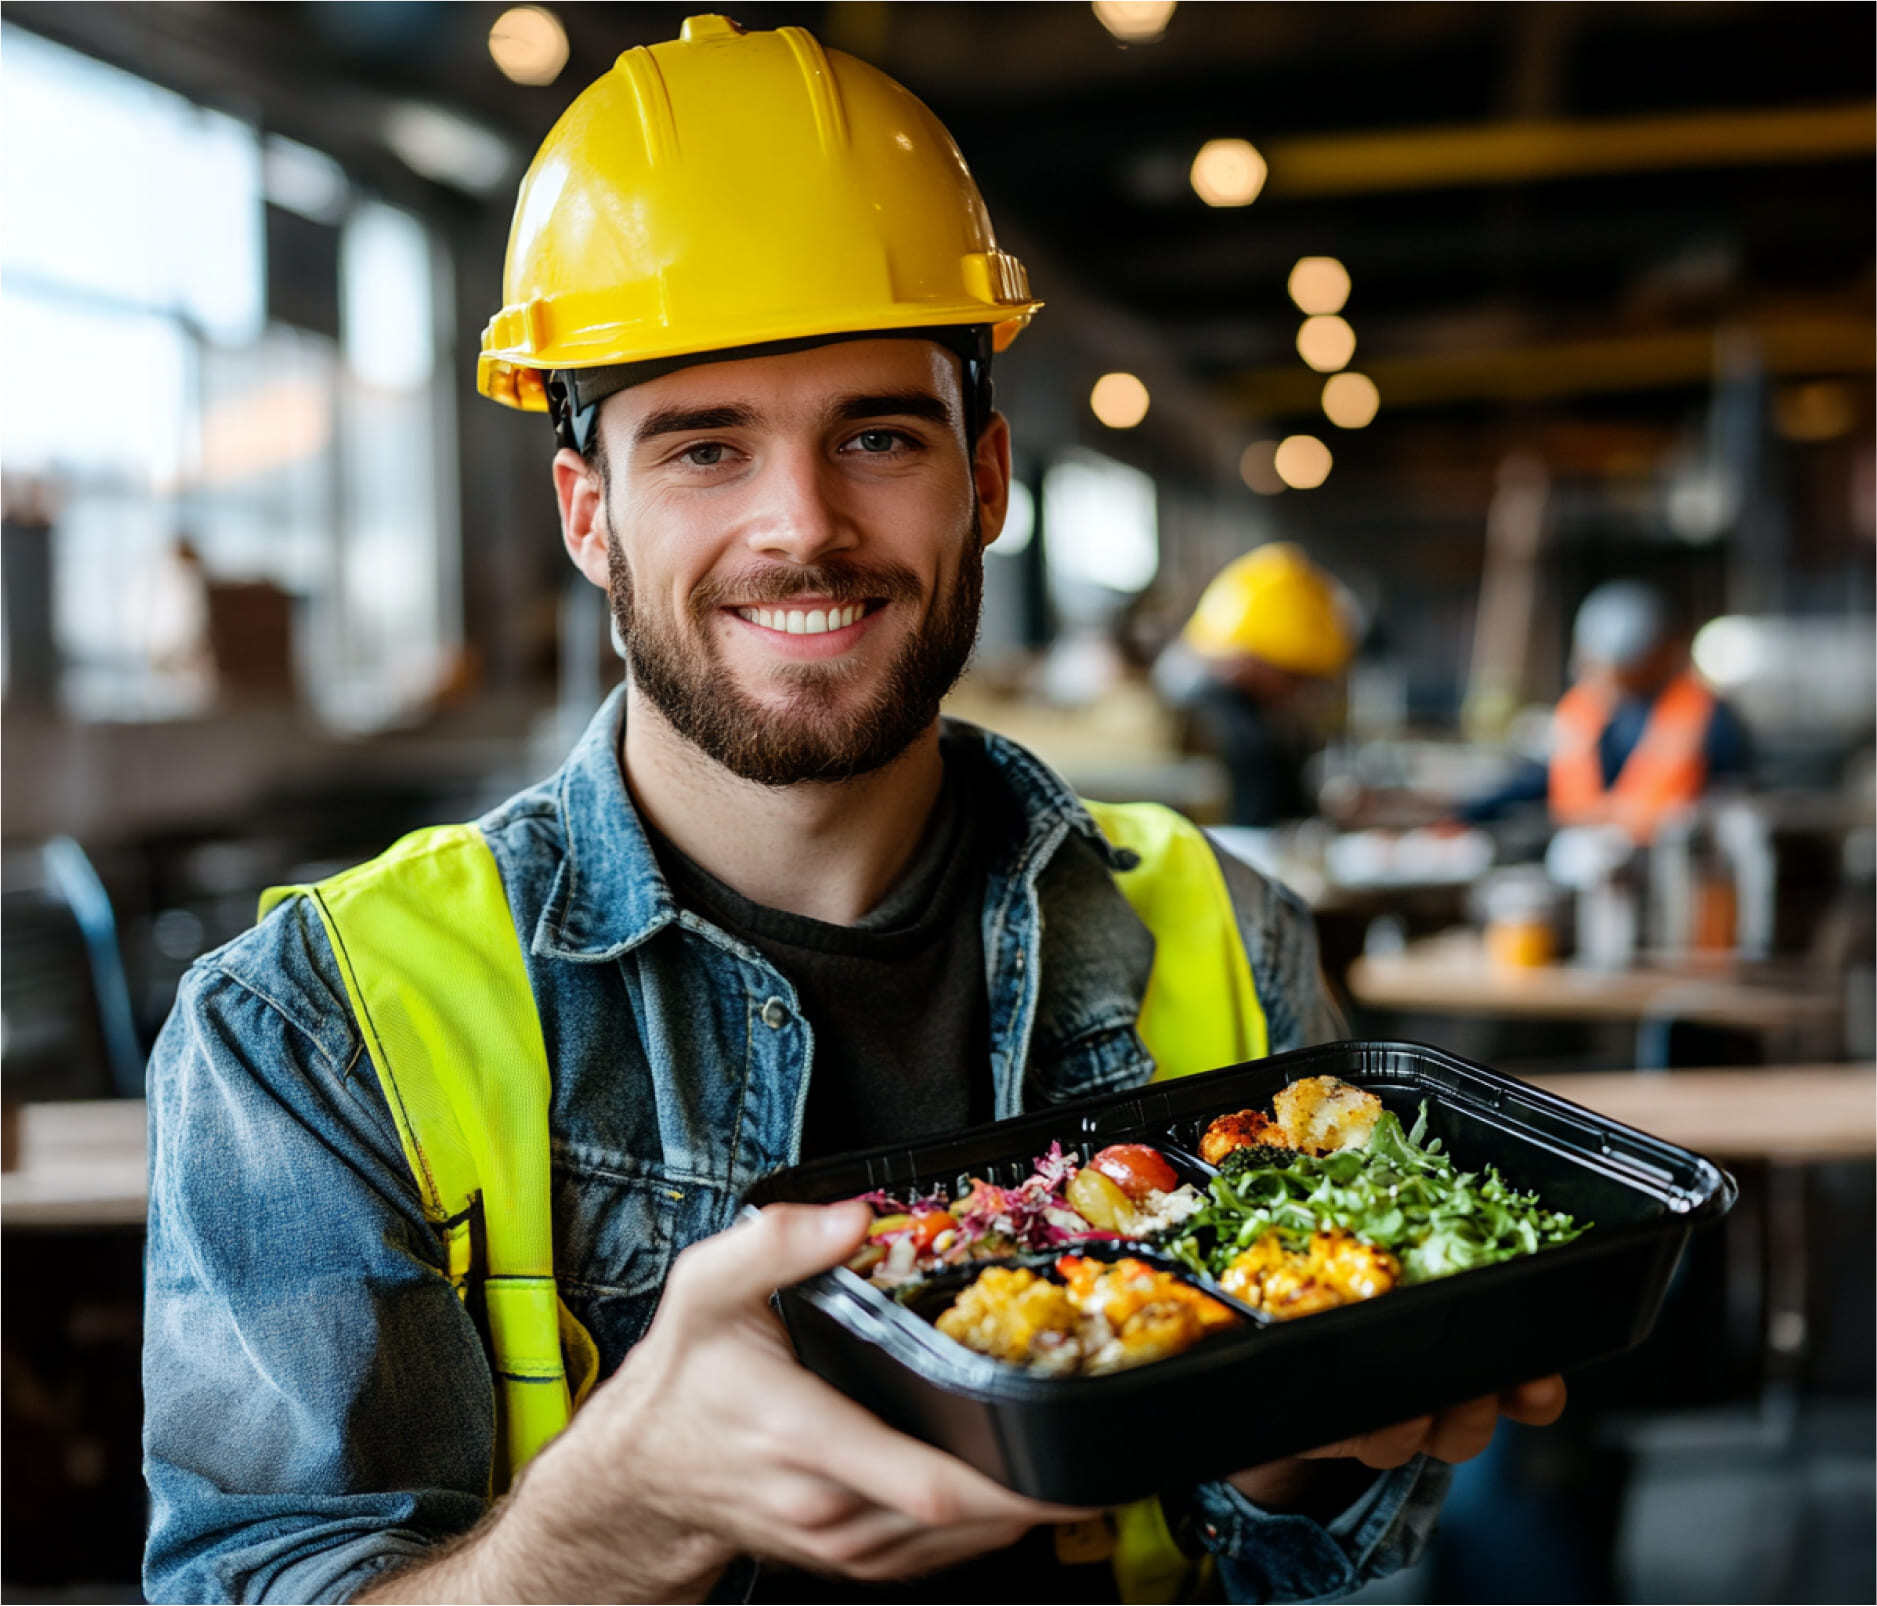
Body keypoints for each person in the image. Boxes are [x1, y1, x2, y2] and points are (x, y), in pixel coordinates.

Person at [141, 17, 1564, 1603]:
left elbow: (1312, 1570)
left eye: (877, 436)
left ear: (989, 480)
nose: (801, 526)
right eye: (703, 447)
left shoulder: (1218, 933)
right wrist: (614, 1515)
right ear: (587, 513)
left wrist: (1296, 1436)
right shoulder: (319, 1028)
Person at [1461, 580, 1751, 841]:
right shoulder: (1596, 717)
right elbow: (1541, 777)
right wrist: (1467, 813)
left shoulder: (1709, 721)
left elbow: (1734, 793)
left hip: (1669, 866)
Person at [1154, 543, 1357, 827]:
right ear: (1245, 662)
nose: (1299, 694)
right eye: (1293, 678)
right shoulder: (1225, 728)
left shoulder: (1260, 720)